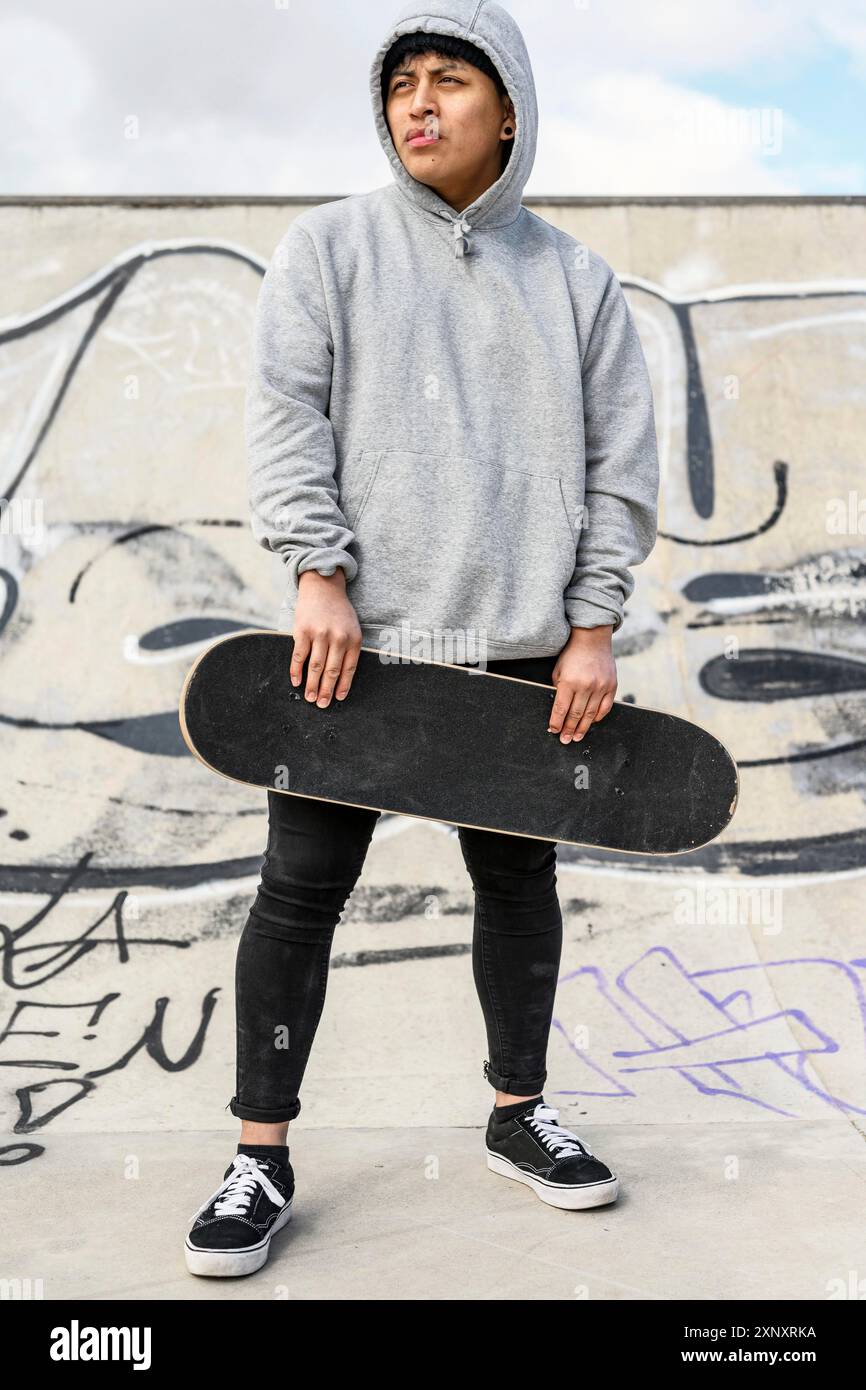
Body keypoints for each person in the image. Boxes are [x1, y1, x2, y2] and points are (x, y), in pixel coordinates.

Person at [184, 0, 659, 1278]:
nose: (418, 103)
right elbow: (286, 413)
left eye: (450, 79)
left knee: (517, 886)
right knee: (298, 897)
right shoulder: (329, 248)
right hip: (359, 653)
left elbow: (620, 464)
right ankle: (258, 1154)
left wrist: (592, 624)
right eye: (401, 83)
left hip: (517, 653)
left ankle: (517, 1115)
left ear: (509, 108)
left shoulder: (574, 279)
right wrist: (317, 571)